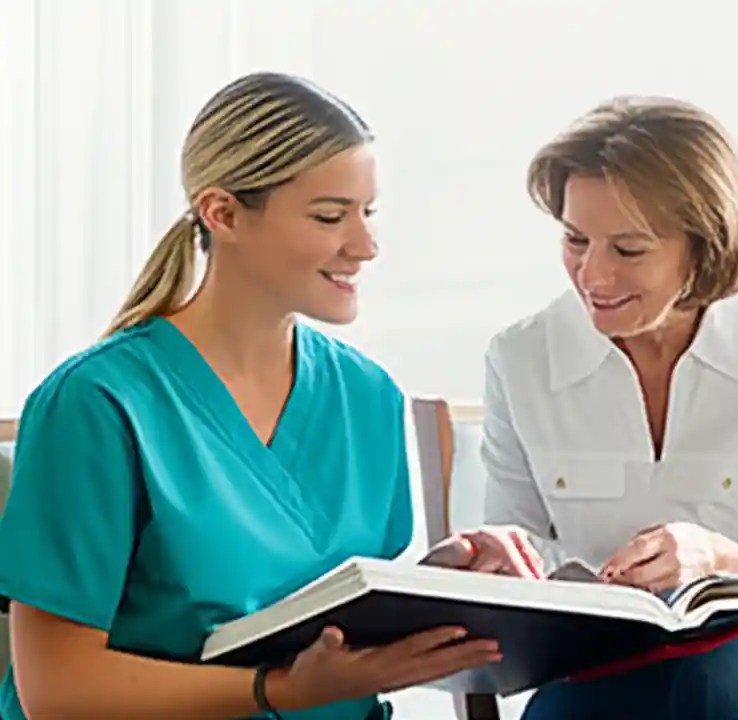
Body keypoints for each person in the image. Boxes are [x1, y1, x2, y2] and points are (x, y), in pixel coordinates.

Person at [0, 72, 501, 720]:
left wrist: (451, 584)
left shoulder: (369, 397)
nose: (366, 246)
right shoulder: (97, 406)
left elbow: (335, 605)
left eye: (368, 213)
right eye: (330, 216)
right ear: (224, 213)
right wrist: (278, 691)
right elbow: (56, 691)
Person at [438, 96, 738, 719]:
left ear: (704, 247)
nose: (594, 276)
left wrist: (719, 559)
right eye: (576, 240)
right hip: (592, 673)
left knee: (722, 670)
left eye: (629, 250)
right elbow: (522, 551)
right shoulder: (522, 358)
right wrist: (503, 565)